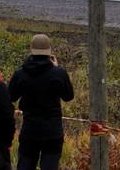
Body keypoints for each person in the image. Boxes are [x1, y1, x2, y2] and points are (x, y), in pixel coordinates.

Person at [8, 34, 74, 170]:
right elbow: (68, 96)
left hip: (30, 129)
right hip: (52, 130)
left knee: (25, 165)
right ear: (49, 52)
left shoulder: (20, 74)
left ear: (31, 50)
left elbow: (10, 97)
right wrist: (57, 69)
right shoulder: (58, 73)